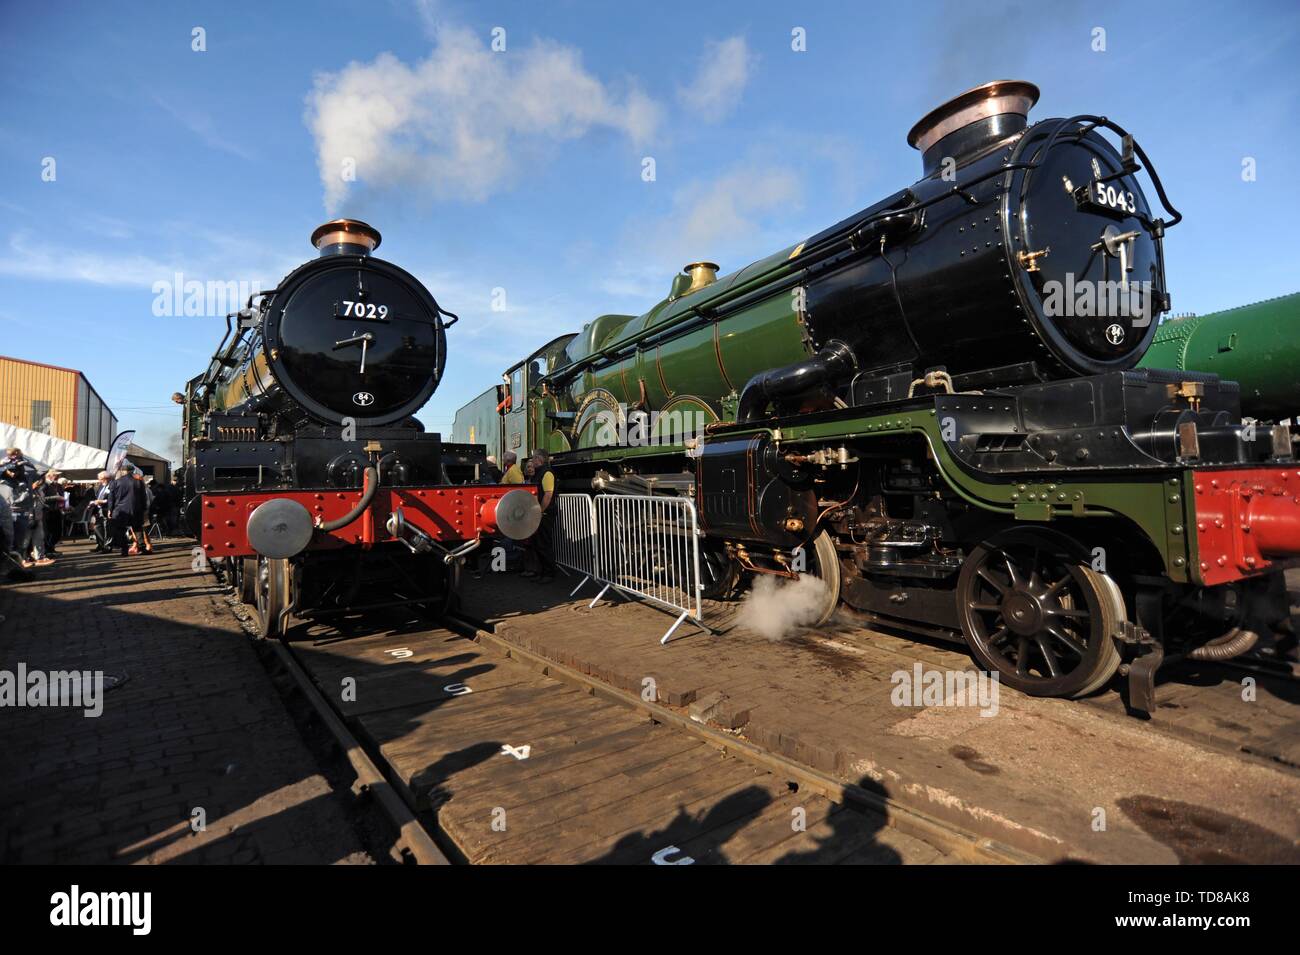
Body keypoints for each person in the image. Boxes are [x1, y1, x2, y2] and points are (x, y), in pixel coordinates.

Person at [524, 449, 556, 583]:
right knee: (538, 544)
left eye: (534, 458)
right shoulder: (539, 473)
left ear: (539, 459)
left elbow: (548, 495)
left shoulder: (547, 473)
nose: (532, 461)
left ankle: (549, 574)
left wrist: (540, 511)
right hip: (539, 514)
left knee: (544, 544)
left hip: (545, 515)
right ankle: (542, 572)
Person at [106, 466, 147, 556]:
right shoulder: (139, 482)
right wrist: (144, 508)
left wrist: (110, 509)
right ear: (132, 471)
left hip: (120, 510)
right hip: (136, 509)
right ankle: (142, 548)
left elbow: (111, 498)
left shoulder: (116, 482)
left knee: (120, 530)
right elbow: (144, 497)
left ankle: (124, 549)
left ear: (123, 471)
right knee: (138, 529)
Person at [89, 471, 113, 551]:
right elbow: (98, 497)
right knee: (97, 527)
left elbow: (112, 499)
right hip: (98, 509)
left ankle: (107, 546)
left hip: (107, 509)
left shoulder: (112, 485)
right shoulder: (101, 486)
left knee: (107, 528)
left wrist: (102, 501)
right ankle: (100, 545)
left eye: (101, 479)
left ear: (107, 478)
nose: (100, 481)